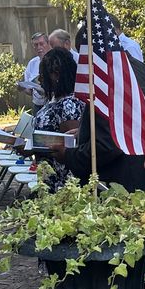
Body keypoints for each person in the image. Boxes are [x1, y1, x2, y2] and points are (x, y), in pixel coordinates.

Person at [52, 56, 145, 193]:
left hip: (119, 186)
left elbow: (108, 144)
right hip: (144, 176)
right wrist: (83, 131)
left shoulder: (106, 75)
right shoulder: (141, 68)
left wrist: (69, 155)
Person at [34, 48, 85, 192]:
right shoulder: (56, 100)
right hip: (49, 176)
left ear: (56, 75)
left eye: (42, 76)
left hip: (63, 181)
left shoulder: (69, 104)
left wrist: (34, 146)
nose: (40, 80)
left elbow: (69, 144)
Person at [19, 32, 50, 108]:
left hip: (52, 104)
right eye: (36, 45)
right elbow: (29, 91)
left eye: (41, 44)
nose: (39, 47)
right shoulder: (32, 63)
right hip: (37, 105)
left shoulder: (55, 61)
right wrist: (22, 87)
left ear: (48, 44)